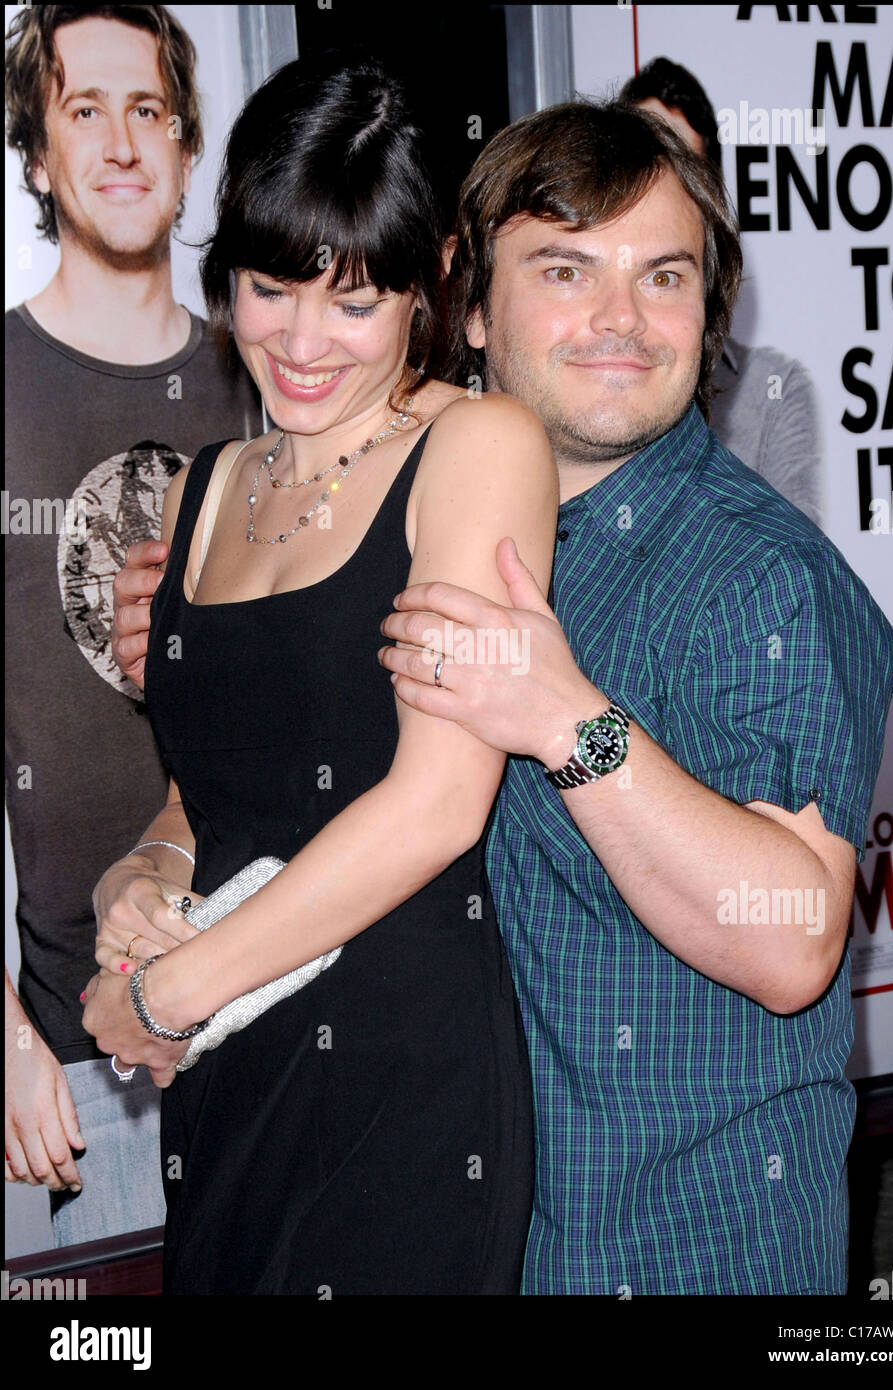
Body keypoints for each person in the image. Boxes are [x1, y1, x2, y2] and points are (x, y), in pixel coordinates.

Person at [111, 101, 893, 1295]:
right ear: (471, 306)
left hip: (681, 1248)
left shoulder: (759, 575)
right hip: (445, 1208)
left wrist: (566, 723)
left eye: (664, 276)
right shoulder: (440, 512)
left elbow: (794, 940)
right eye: (566, 270)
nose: (620, 321)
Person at [80, 54, 557, 1296]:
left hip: (394, 1075)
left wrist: (171, 991)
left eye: (353, 301)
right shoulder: (200, 489)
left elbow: (436, 801)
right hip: (228, 1072)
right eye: (269, 288)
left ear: (424, 289)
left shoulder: (474, 445)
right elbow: (217, 791)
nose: (300, 342)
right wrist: (144, 876)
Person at [4, 4, 260, 1251]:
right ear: (37, 157)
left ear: (185, 140)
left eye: (148, 109)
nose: (120, 142)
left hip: (275, 1001)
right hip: (71, 1045)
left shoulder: (275, 378)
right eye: (82, 109)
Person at [617, 57, 823, 526]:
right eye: (643, 159)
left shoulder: (774, 387)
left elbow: (795, 562)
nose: (659, 189)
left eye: (681, 167)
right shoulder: (576, 357)